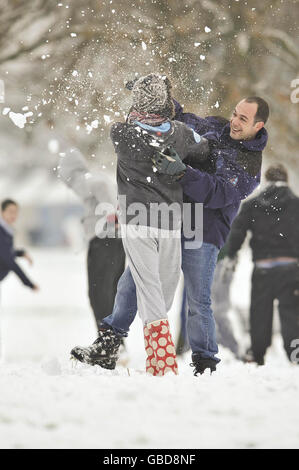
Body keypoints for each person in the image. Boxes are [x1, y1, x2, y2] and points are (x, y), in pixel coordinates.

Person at [71, 93, 269, 376]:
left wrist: (183, 173)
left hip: (204, 232)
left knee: (197, 299)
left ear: (257, 126)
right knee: (132, 280)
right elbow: (181, 122)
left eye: (243, 119)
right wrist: (161, 98)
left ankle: (204, 361)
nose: (235, 122)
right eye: (236, 113)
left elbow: (219, 192)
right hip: (171, 221)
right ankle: (108, 344)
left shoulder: (250, 164)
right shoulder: (215, 126)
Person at [71, 73, 209, 376]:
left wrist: (142, 92)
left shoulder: (121, 132)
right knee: (153, 288)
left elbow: (137, 125)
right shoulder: (182, 134)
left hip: (147, 222)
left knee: (158, 290)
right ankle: (161, 360)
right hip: (160, 222)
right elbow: (205, 150)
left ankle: (122, 343)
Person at [223, 165, 299, 365]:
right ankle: (295, 352)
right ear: (287, 180)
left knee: (260, 311)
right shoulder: (296, 204)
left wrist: (232, 254)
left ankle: (257, 354)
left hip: (263, 268)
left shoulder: (253, 204)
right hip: (290, 268)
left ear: (266, 180)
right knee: (291, 311)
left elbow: (237, 231)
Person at [58, 147, 126, 331]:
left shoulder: (84, 179)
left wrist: (112, 214)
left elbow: (102, 187)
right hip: (115, 239)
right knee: (110, 291)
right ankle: (115, 342)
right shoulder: (96, 177)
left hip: (104, 239)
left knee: (99, 292)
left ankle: (108, 341)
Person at [0, 199, 38, 357]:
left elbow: (7, 254)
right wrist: (28, 283)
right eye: (10, 211)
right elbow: (8, 261)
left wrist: (21, 253)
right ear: (2, 212)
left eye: (15, 212)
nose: (13, 215)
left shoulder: (7, 231)